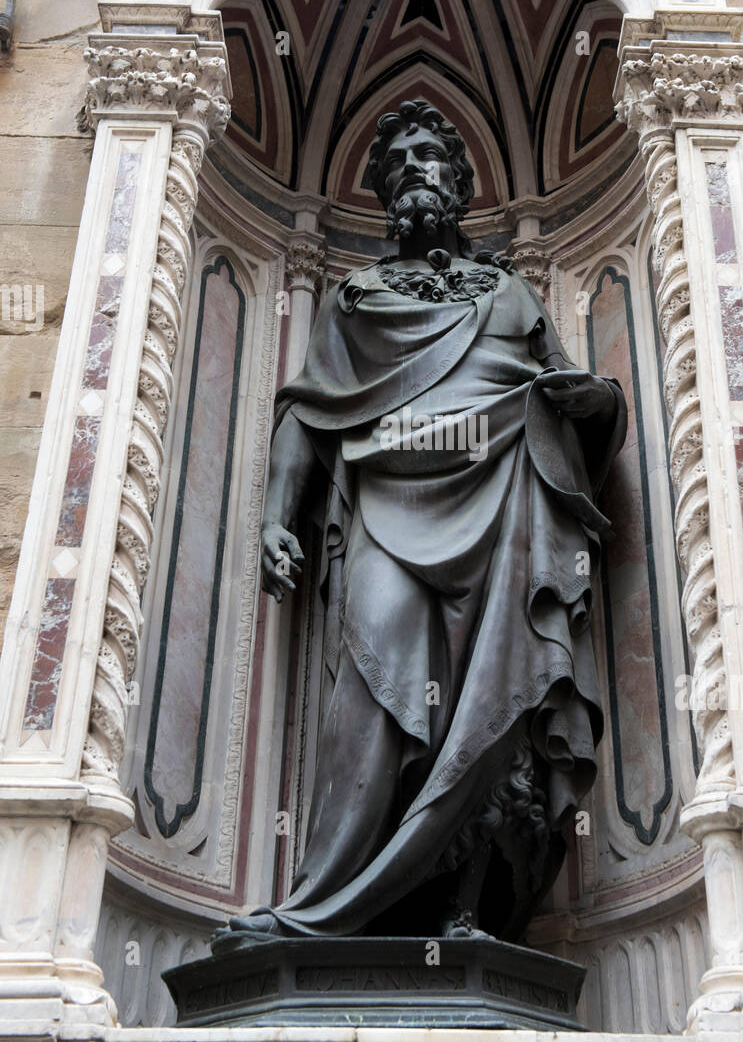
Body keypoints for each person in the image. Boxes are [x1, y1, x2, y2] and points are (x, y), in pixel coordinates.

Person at [213, 99, 626, 951]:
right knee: (373, 689)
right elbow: (310, 410)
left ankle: (466, 911)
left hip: (506, 496)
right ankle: (326, 902)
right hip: (388, 507)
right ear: (380, 189)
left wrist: (597, 402)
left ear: (460, 181)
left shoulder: (510, 292)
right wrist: (273, 518)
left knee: (492, 698)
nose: (414, 169)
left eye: (431, 155)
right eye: (397, 160)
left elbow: (572, 388)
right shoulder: (355, 296)